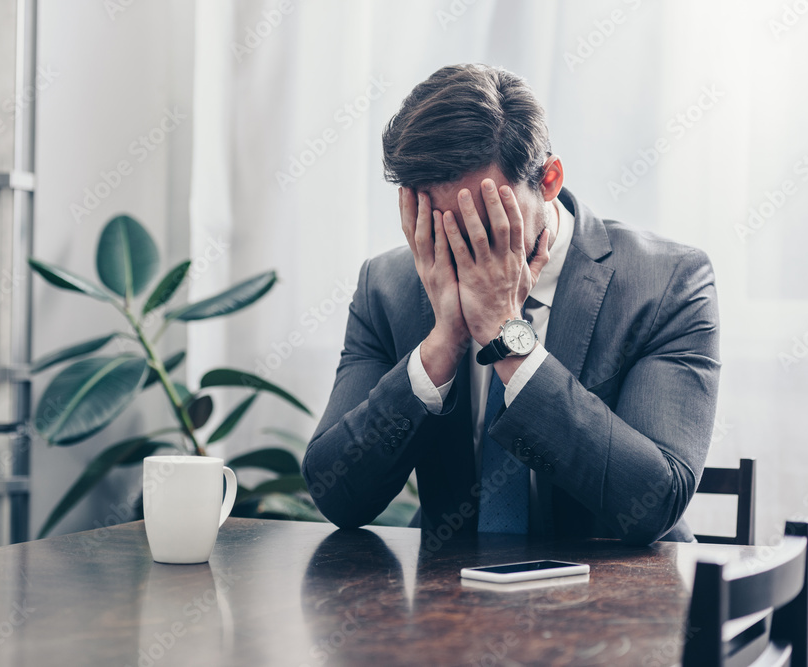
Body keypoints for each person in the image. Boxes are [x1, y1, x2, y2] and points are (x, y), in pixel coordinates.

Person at [302, 64, 720, 545]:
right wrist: (444, 342)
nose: (468, 247)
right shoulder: (388, 287)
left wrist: (507, 337)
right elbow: (339, 499)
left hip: (622, 595)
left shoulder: (667, 282)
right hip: (452, 600)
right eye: (446, 225)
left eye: (488, 220)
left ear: (548, 180)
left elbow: (655, 502)